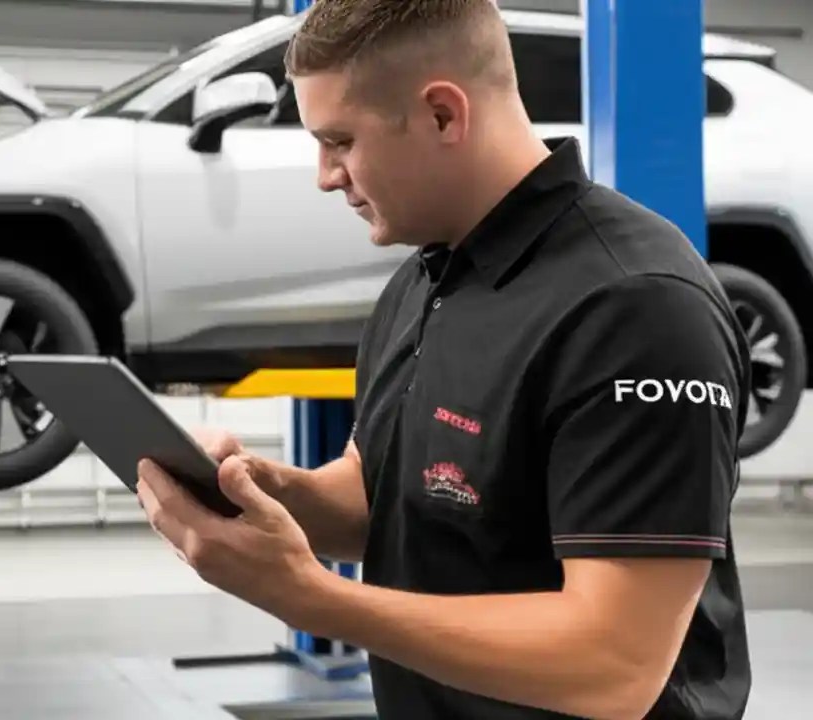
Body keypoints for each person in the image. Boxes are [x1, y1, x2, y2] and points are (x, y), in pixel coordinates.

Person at [134, 1, 753, 719]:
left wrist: (311, 597)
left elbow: (614, 663)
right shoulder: (425, 280)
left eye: (339, 140)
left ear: (441, 116)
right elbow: (387, 498)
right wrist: (256, 488)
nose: (324, 176)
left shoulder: (634, 307)